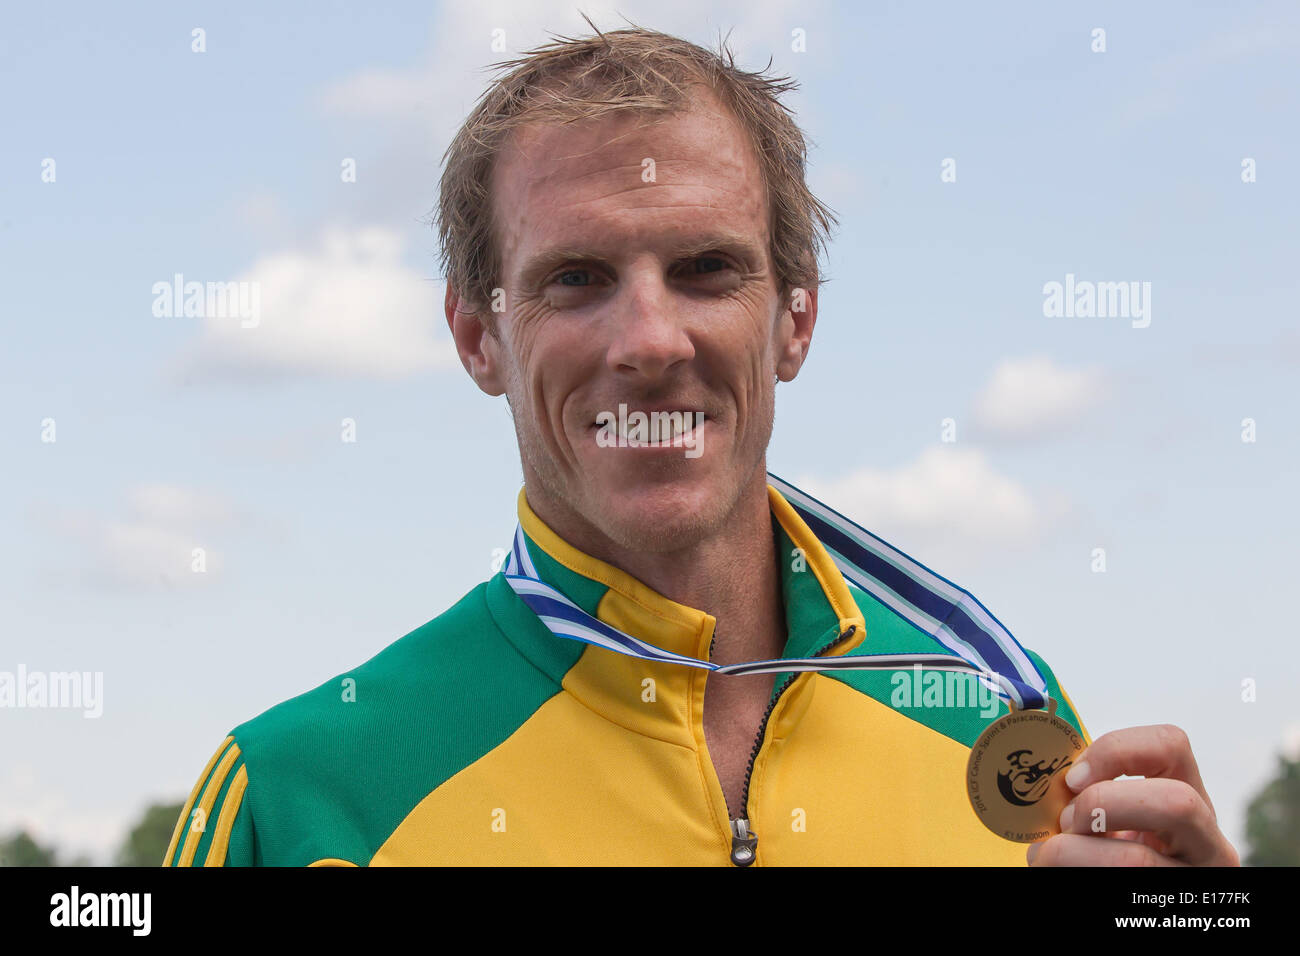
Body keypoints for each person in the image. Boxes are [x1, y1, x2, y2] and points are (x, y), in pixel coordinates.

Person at [164, 23, 1238, 867]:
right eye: (576, 277)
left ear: (795, 322)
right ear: (477, 334)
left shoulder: (998, 718)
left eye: (706, 270)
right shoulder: (298, 796)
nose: (648, 340)